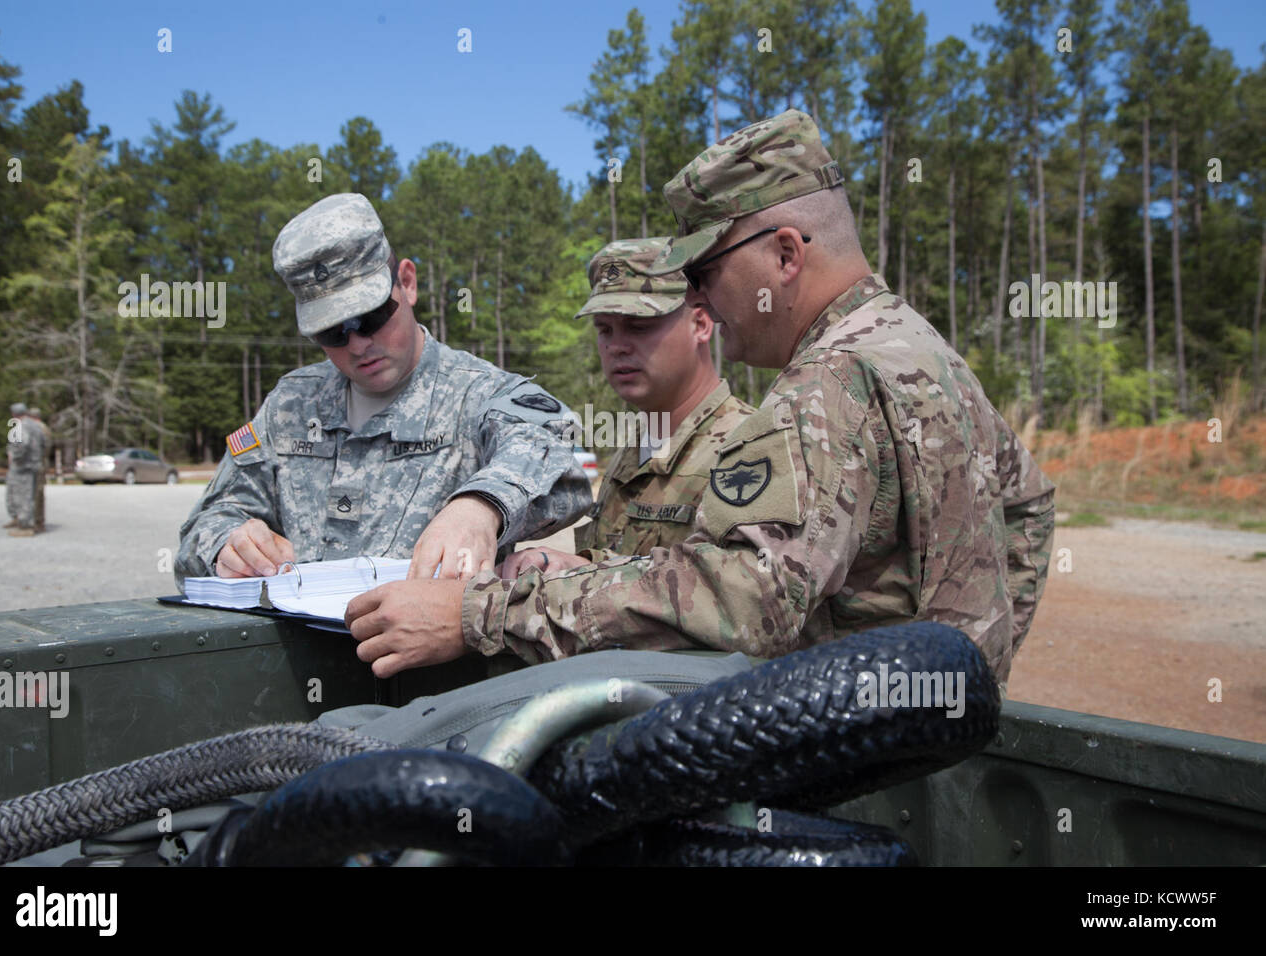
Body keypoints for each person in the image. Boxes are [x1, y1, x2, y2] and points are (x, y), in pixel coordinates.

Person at [340, 110, 1055, 686]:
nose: (701, 296)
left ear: (785, 254)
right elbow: (1027, 511)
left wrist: (478, 616)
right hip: (916, 754)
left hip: (852, 777)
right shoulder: (917, 347)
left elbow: (747, 598)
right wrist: (957, 678)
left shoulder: (829, 382)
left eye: (708, 270)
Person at [175, 193, 590, 585]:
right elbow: (206, 522)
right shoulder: (291, 403)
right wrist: (226, 544)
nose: (357, 344)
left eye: (370, 317)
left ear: (406, 283)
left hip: (428, 656)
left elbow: (557, 446)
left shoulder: (478, 394)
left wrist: (480, 507)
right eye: (332, 331)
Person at [502, 236, 751, 578]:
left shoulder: (744, 448)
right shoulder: (634, 450)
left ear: (701, 324)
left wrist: (588, 570)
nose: (616, 346)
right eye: (604, 329)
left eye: (639, 325)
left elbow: (736, 600)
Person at [5, 402, 46, 537]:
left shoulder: (20, 426)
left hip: (23, 466)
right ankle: (29, 522)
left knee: (22, 496)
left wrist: (15, 457)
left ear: (14, 414)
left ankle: (24, 525)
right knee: (30, 495)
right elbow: (43, 443)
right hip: (34, 464)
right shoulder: (36, 425)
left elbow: (22, 444)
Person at [28, 406, 51, 533]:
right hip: (40, 463)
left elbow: (45, 447)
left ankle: (38, 521)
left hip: (38, 464)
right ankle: (38, 520)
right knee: (38, 493)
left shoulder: (39, 428)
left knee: (37, 493)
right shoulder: (42, 427)